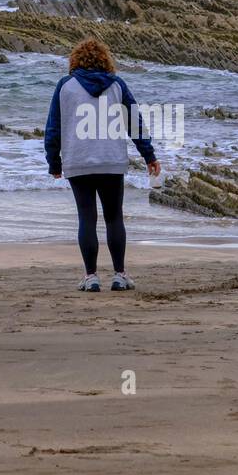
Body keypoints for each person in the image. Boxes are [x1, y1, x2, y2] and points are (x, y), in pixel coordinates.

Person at [45, 38, 161, 291]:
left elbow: (53, 127)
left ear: (75, 60)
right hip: (111, 160)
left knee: (86, 218)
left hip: (78, 160)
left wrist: (53, 162)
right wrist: (149, 155)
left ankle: (91, 277)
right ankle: (120, 275)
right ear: (106, 60)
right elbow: (135, 123)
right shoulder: (117, 85)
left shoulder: (66, 86)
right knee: (113, 217)